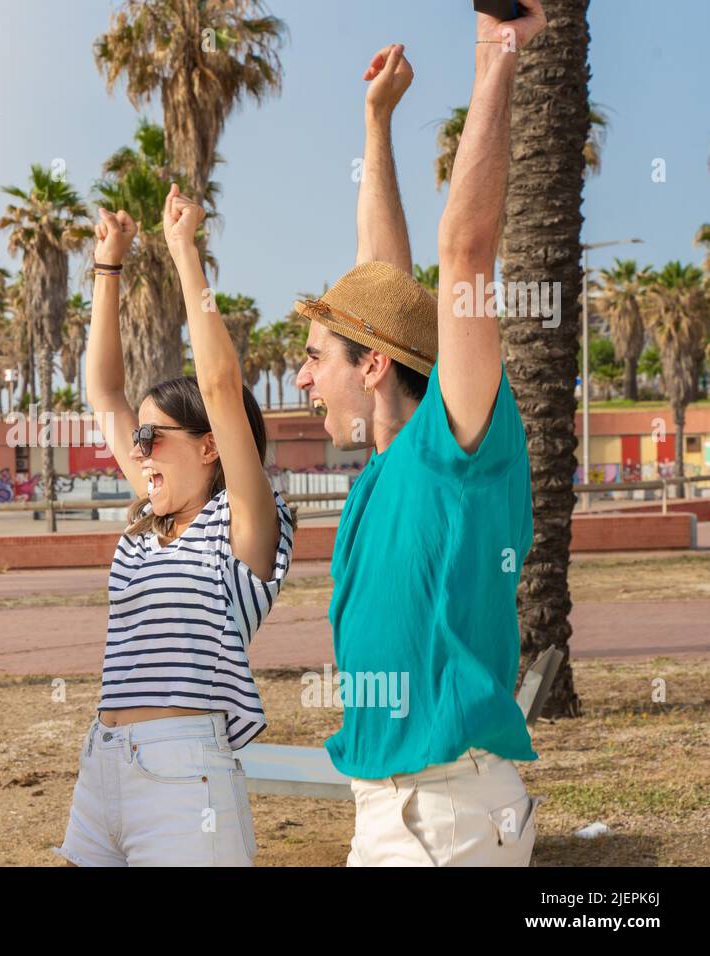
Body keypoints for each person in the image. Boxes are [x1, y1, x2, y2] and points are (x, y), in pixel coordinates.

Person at [292, 3, 549, 866]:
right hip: (391, 816)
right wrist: (377, 121)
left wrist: (499, 51)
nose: (299, 376)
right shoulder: (386, 468)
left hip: (446, 819)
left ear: (369, 369)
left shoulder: (458, 444)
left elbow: (466, 250)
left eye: (311, 357)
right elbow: (386, 290)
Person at [55, 183, 295, 866]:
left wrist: (184, 251)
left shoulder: (243, 523)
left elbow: (220, 385)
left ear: (211, 444)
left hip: (185, 774)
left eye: (154, 436)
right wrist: (108, 267)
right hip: (104, 764)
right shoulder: (151, 513)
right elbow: (102, 392)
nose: (138, 450)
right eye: (138, 439)